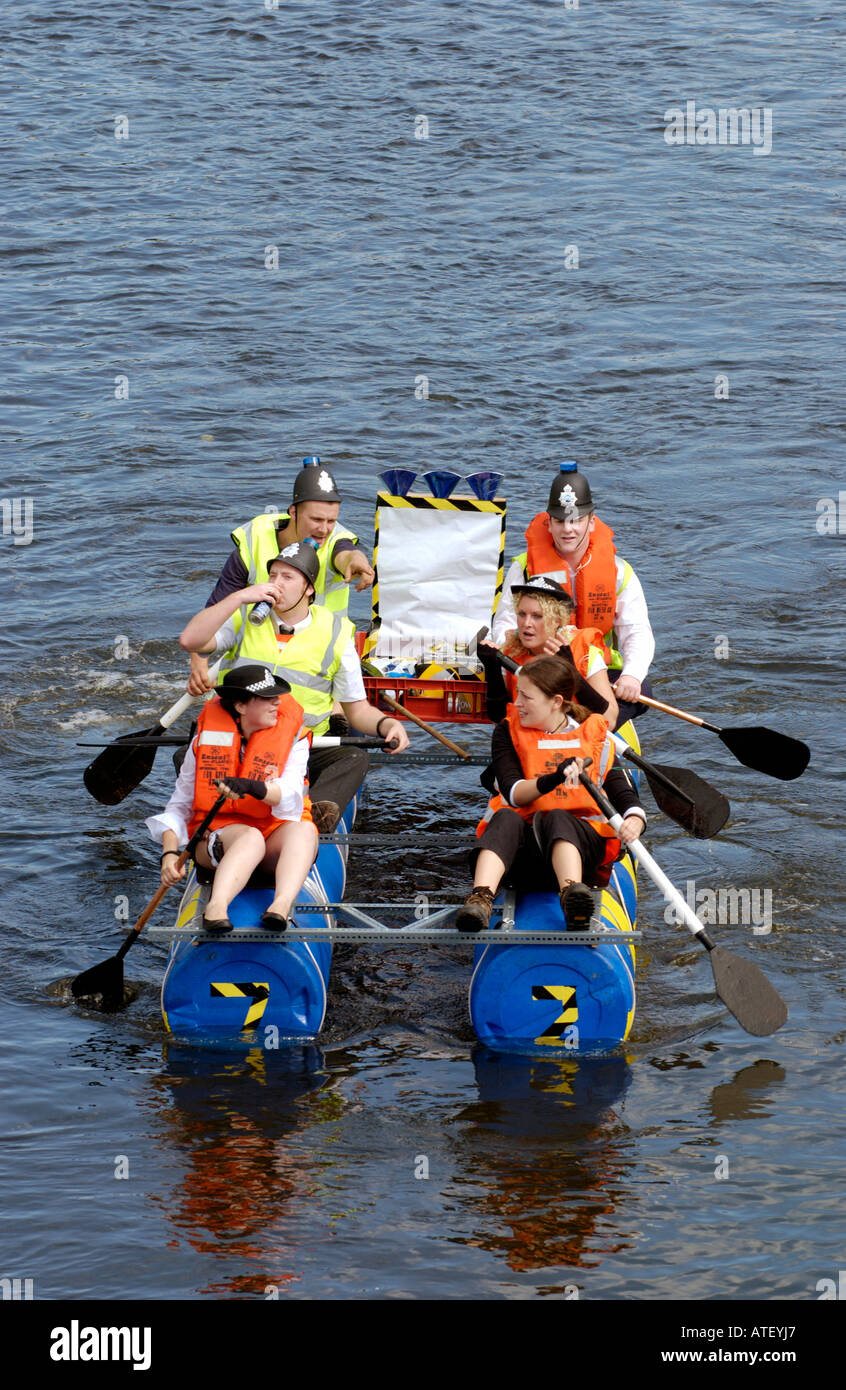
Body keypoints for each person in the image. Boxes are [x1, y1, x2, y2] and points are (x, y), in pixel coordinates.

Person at [180, 538, 409, 822]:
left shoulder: (335, 633)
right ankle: (209, 812)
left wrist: (387, 724)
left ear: (309, 588)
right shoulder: (242, 616)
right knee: (185, 753)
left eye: (288, 577)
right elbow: (190, 640)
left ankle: (316, 816)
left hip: (302, 747)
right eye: (273, 575)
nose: (277, 583)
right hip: (240, 743)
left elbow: (358, 711)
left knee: (353, 758)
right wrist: (238, 597)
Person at [456, 656, 647, 933]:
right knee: (507, 817)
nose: (517, 703)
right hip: (521, 859)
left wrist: (636, 820)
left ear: (556, 702)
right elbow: (512, 792)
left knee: (557, 816)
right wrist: (555, 778)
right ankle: (481, 899)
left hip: (582, 858)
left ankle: (572, 897)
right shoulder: (507, 732)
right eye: (518, 694)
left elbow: (621, 791)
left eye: (526, 697)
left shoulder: (593, 735)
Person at [146, 665, 321, 933]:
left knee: (306, 828)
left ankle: (280, 907)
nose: (277, 702)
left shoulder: (294, 740)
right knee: (249, 837)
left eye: (277, 696)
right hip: (220, 839)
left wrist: (251, 786)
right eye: (266, 698)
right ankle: (216, 909)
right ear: (240, 706)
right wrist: (170, 853)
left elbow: (289, 793)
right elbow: (179, 806)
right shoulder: (202, 744)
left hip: (273, 839)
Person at [491, 465, 654, 726]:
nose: (568, 530)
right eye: (559, 520)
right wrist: (525, 653)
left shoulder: (619, 572)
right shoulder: (523, 568)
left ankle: (591, 730)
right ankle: (565, 725)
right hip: (542, 666)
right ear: (549, 522)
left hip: (596, 669)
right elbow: (504, 627)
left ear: (591, 522)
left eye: (576, 520)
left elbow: (637, 632)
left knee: (643, 691)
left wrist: (631, 676)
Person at [477, 575, 619, 729]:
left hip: (577, 740)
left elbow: (609, 722)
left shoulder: (586, 654)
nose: (526, 623)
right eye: (522, 614)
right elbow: (498, 718)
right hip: (530, 744)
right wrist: (492, 669)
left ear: (557, 620)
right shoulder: (509, 652)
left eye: (537, 616)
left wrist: (571, 673)